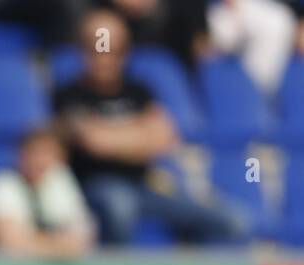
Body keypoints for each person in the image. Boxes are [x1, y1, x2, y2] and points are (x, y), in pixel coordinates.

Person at [53, 8, 249, 245]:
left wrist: (114, 136)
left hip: (145, 185)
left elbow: (165, 138)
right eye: (96, 48)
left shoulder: (139, 90)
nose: (105, 57)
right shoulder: (68, 94)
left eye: (114, 49)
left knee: (231, 219)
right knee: (120, 206)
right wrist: (137, 135)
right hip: (95, 186)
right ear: (82, 50)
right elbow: (94, 142)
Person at [0, 127, 96, 258]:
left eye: (47, 153)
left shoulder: (61, 180)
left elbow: (80, 239)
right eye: (33, 152)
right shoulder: (5, 182)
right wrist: (58, 245)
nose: (38, 160)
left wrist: (35, 243)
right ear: (20, 155)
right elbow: (10, 240)